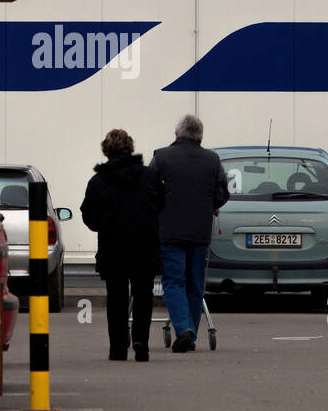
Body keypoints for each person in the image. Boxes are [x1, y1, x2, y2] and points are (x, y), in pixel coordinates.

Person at [80, 129, 165, 362]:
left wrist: (105, 226)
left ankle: (117, 348)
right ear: (130, 148)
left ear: (106, 150)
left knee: (116, 299)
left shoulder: (98, 181)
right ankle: (141, 343)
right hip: (144, 245)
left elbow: (88, 216)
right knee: (143, 295)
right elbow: (161, 204)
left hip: (113, 247)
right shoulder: (149, 176)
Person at [150, 114, 229, 353]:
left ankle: (183, 328)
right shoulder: (213, 160)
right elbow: (223, 193)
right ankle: (191, 335)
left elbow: (150, 190)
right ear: (200, 137)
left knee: (174, 281)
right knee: (195, 285)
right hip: (200, 233)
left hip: (170, 232)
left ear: (177, 135)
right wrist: (208, 204)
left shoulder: (161, 157)